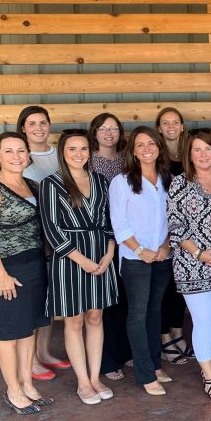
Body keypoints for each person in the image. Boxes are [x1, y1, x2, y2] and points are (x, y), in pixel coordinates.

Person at [0, 132, 52, 414]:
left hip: (35, 266)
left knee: (28, 329)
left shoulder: (32, 185)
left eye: (21, 151)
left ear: (28, 154)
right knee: (9, 333)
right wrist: (1, 275)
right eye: (9, 151)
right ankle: (14, 390)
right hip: (7, 269)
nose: (16, 156)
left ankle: (27, 383)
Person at [40, 129, 118, 405]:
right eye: (72, 149)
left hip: (100, 254)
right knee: (73, 321)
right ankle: (83, 382)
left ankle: (96, 377)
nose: (78, 154)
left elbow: (111, 221)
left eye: (83, 149)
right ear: (62, 152)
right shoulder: (52, 183)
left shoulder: (99, 180)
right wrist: (82, 260)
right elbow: (51, 229)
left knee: (95, 317)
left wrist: (108, 255)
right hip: (70, 259)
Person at [167, 130, 211, 404]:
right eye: (197, 149)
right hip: (191, 264)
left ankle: (208, 366)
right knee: (203, 319)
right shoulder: (179, 183)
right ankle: (210, 379)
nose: (204, 155)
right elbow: (175, 225)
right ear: (189, 154)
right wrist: (199, 254)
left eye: (208, 149)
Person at [109, 126, 173, 396]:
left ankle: (156, 364)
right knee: (137, 313)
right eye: (140, 145)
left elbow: (174, 217)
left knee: (155, 311)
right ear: (132, 151)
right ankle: (145, 374)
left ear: (159, 147)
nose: (147, 149)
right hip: (135, 258)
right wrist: (140, 250)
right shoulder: (121, 182)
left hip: (161, 255)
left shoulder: (167, 179)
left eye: (151, 144)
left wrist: (165, 246)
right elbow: (118, 223)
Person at [17, 106, 70, 380]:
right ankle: (30, 362)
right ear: (23, 128)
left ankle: (44, 351)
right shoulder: (19, 156)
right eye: (32, 123)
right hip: (33, 236)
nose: (38, 128)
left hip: (59, 235)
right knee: (34, 299)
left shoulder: (59, 154)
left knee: (49, 297)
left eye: (43, 122)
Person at [89, 113, 131, 381]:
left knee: (125, 299)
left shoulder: (127, 159)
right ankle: (107, 359)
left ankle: (125, 352)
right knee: (104, 302)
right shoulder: (89, 161)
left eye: (114, 128)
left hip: (128, 237)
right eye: (103, 129)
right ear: (94, 132)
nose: (109, 133)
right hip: (101, 238)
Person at [155, 107, 192, 364]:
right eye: (165, 123)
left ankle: (178, 332)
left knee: (179, 287)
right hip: (160, 228)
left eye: (175, 122)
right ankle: (164, 337)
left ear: (181, 127)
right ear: (159, 128)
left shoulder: (190, 154)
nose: (170, 126)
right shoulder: (155, 156)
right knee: (161, 287)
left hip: (187, 229)